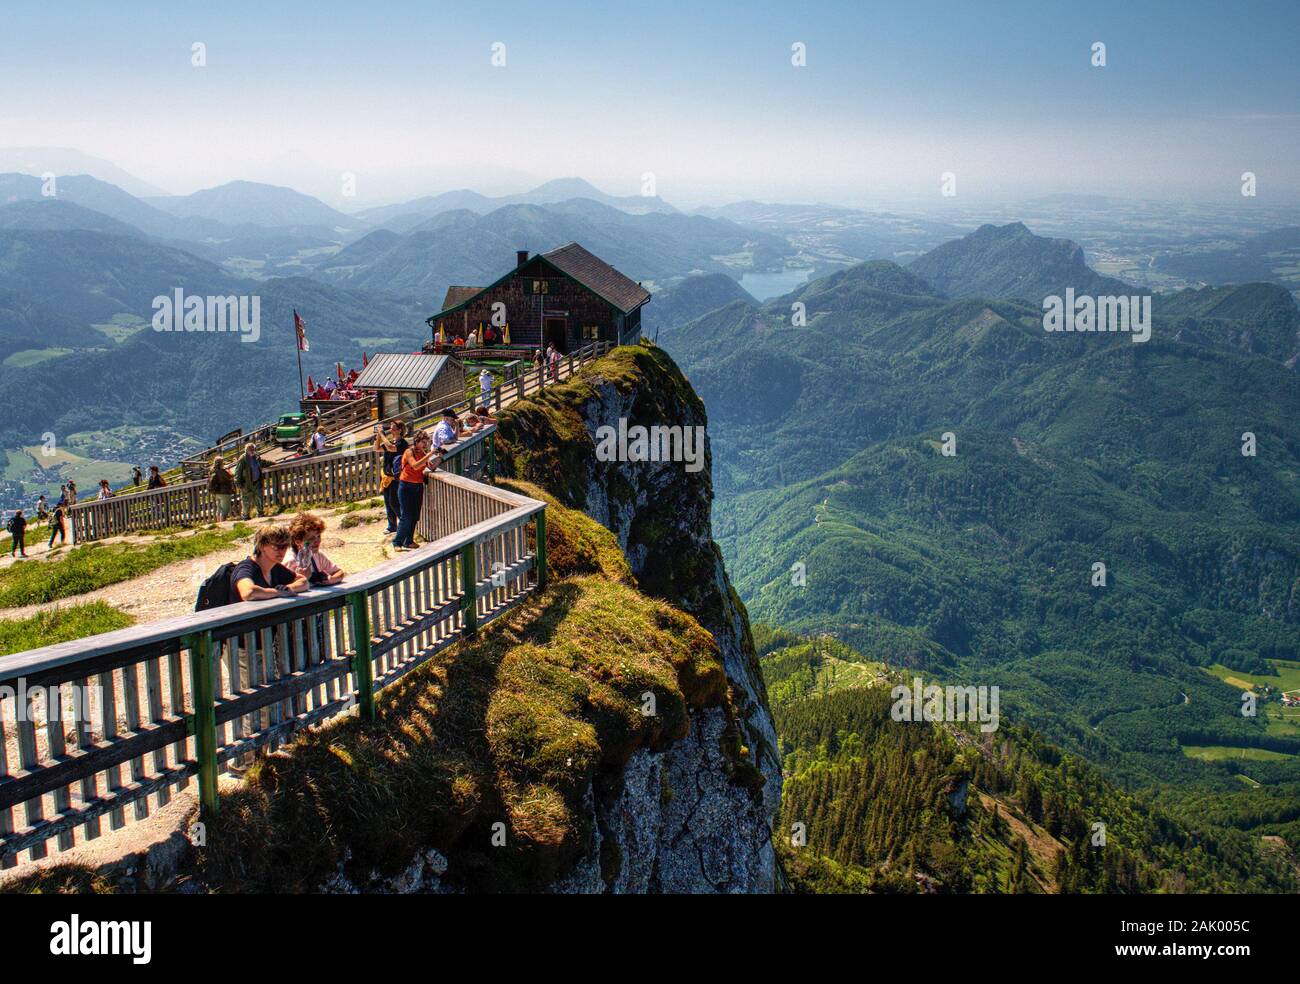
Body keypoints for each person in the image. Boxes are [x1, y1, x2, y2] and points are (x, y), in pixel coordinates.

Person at [229, 525, 309, 602]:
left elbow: (304, 582)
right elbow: (248, 592)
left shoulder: (274, 566)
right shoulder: (246, 568)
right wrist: (278, 592)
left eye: (285, 546)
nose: (282, 551)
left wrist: (287, 588)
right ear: (261, 546)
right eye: (276, 547)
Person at [392, 432, 441, 551]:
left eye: (426, 442)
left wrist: (440, 457)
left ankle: (408, 541)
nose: (425, 444)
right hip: (406, 486)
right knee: (406, 516)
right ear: (416, 441)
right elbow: (415, 466)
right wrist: (429, 454)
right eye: (423, 442)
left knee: (414, 516)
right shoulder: (409, 452)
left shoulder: (422, 453)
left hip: (418, 486)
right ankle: (397, 542)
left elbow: (431, 467)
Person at [286, 512, 345, 586]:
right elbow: (286, 588)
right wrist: (301, 579)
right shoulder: (290, 561)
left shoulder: (318, 555)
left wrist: (331, 580)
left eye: (318, 536)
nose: (317, 541)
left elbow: (339, 572)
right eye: (311, 539)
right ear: (298, 542)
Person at [374, 419, 409, 534]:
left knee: (394, 502)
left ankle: (404, 525)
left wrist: (382, 434)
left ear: (400, 430)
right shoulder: (391, 442)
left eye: (393, 428)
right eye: (390, 427)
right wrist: (378, 436)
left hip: (396, 478)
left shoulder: (402, 443)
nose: (391, 430)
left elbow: (390, 447)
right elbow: (376, 448)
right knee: (388, 503)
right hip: (387, 477)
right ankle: (392, 526)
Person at [235, 442, 266, 519]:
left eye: (253, 449)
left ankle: (260, 513)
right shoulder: (242, 459)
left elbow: (263, 463)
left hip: (257, 482)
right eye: (250, 449)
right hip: (246, 484)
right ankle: (245, 516)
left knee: (259, 499)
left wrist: (273, 463)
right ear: (246, 450)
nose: (252, 451)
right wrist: (239, 485)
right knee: (246, 501)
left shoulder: (256, 457)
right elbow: (238, 472)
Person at [208, 456, 235, 520]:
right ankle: (222, 522)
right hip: (224, 492)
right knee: (225, 510)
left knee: (219, 509)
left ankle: (218, 523)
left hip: (216, 492)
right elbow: (229, 477)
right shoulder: (222, 471)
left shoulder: (212, 471)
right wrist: (229, 471)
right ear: (221, 463)